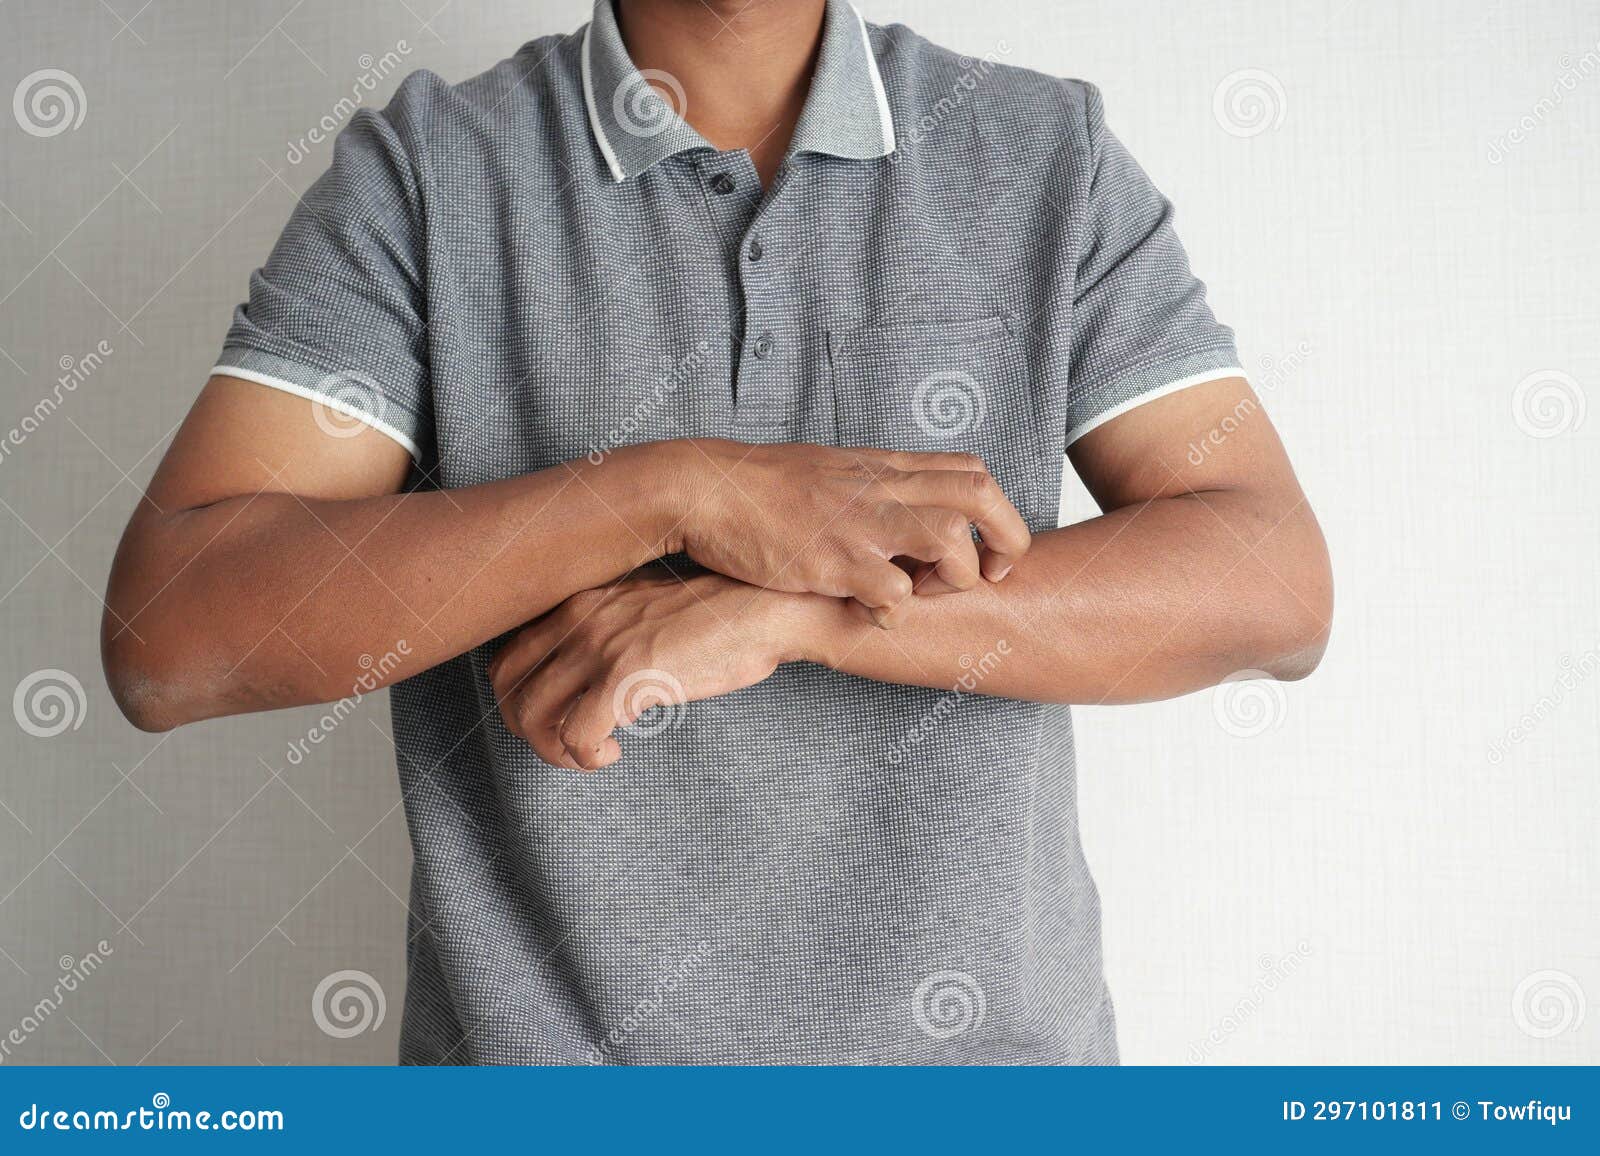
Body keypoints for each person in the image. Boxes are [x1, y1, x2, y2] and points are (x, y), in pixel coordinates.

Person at [102, 0, 1331, 1064]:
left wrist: (794, 615)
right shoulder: (429, 172)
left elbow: (1269, 580)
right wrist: (676, 491)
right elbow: (172, 636)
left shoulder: (1040, 155)